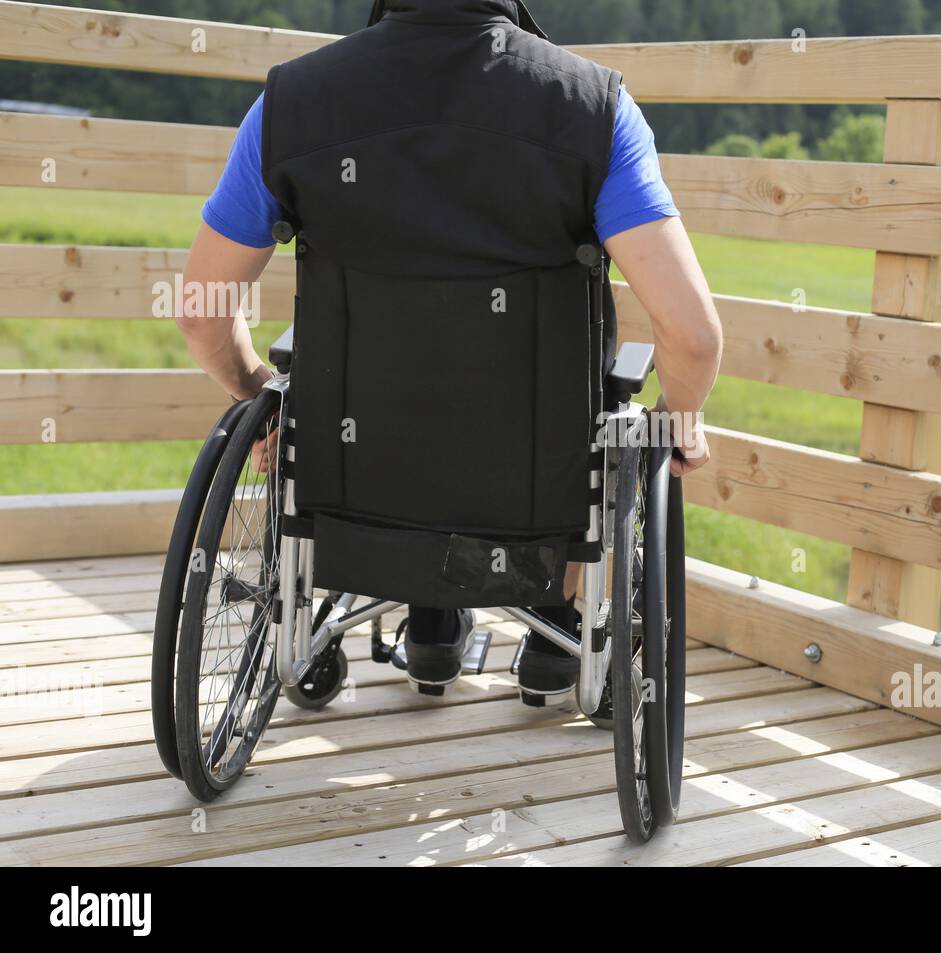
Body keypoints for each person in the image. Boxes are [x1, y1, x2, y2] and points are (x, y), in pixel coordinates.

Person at [177, 0, 722, 707]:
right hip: (534, 485)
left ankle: (431, 619)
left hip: (351, 478)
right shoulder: (594, 109)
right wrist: (680, 418)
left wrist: (258, 391)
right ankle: (556, 619)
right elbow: (694, 337)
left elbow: (201, 314)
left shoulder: (292, 104)